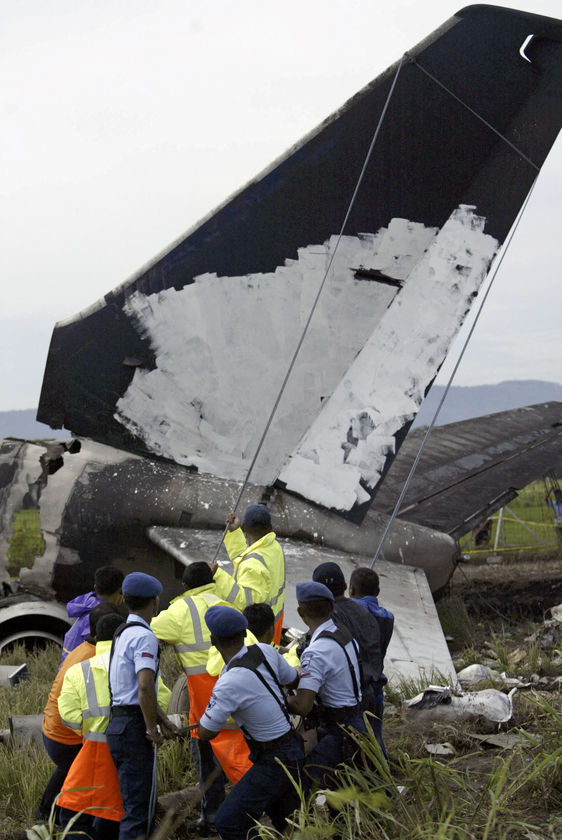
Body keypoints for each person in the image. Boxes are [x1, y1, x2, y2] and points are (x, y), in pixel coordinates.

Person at [151, 562, 251, 834]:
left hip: (204, 704)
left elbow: (147, 629)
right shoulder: (227, 606)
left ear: (185, 586)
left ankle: (213, 818)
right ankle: (248, 813)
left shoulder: (180, 610)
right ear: (212, 581)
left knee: (206, 764)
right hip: (238, 700)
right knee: (241, 761)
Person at [198, 606, 304, 840]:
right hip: (292, 748)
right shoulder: (265, 651)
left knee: (229, 822)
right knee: (289, 824)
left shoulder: (228, 683)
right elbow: (293, 679)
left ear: (213, 641)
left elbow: (205, 732)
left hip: (274, 761)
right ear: (245, 634)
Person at [106, 572, 180, 840]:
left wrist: (163, 720)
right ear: (155, 602)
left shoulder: (121, 633)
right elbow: (145, 686)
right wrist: (151, 728)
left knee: (133, 804)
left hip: (118, 724)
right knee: (139, 811)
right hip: (133, 728)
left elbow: (134, 690)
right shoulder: (144, 636)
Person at [37, 602, 120, 821]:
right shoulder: (96, 658)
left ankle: (46, 813)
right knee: (81, 773)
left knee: (68, 769)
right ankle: (63, 817)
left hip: (53, 729)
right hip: (66, 735)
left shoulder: (82, 649)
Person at [286, 581, 366, 790]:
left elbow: (303, 706)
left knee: (301, 784)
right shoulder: (344, 635)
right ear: (331, 607)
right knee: (348, 790)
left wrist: (278, 701)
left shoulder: (315, 652)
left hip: (338, 731)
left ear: (300, 612)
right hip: (356, 721)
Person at [57, 612, 125, 840]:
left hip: (92, 752)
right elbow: (162, 701)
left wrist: (90, 729)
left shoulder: (78, 670)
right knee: (118, 815)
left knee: (73, 817)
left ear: (95, 637)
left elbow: (68, 716)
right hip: (131, 753)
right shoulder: (141, 665)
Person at [311, 562, 384, 728]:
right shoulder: (364, 611)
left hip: (351, 700)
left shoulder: (330, 618)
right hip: (373, 690)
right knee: (372, 742)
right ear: (345, 586)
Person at [211, 504, 285, 644]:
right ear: (270, 527)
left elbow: (246, 602)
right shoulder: (274, 547)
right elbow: (246, 558)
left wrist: (217, 575)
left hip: (257, 634)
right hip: (272, 625)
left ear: (244, 527)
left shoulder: (253, 564)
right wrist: (234, 532)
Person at [349, 566, 394, 758]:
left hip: (357, 690)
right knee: (376, 739)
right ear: (378, 591)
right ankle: (384, 772)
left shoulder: (352, 612)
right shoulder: (387, 617)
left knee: (352, 742)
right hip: (377, 687)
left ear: (351, 589)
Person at [61, 565, 124, 663]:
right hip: (80, 668)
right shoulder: (102, 617)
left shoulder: (88, 605)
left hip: (67, 666)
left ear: (95, 587)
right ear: (120, 590)